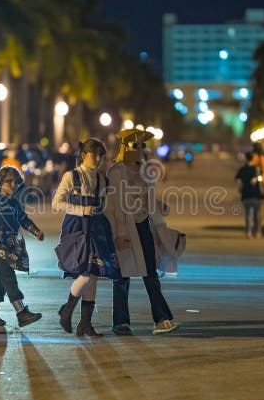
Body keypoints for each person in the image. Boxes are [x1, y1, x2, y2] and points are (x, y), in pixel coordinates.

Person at [105, 128, 178, 335]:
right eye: (135, 145)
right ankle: (120, 322)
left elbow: (149, 198)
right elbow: (116, 205)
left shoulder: (146, 170)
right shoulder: (116, 172)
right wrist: (119, 234)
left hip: (143, 226)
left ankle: (162, 319)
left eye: (142, 145)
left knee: (150, 274)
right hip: (124, 228)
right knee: (121, 276)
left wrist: (159, 206)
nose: (140, 149)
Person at [53, 138, 121, 337]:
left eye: (101, 155)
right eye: (94, 154)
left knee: (93, 276)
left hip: (98, 228)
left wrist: (115, 234)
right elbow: (57, 203)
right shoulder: (71, 176)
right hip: (77, 228)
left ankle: (85, 324)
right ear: (83, 155)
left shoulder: (103, 179)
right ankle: (67, 310)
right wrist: (82, 210)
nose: (98, 159)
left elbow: (107, 209)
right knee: (86, 273)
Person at [0, 165, 45, 328]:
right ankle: (21, 312)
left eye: (16, 181)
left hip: (11, 246)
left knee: (1, 279)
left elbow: (24, 220)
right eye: (9, 181)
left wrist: (35, 231)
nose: (13, 184)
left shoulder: (14, 203)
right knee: (8, 277)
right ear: (0, 182)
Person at [236, 151, 264, 239]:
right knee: (257, 214)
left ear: (246, 158)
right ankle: (257, 232)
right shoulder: (256, 168)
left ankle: (248, 232)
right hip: (256, 194)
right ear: (253, 158)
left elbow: (238, 180)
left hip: (245, 194)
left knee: (248, 215)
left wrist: (240, 189)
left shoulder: (242, 169)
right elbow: (260, 180)